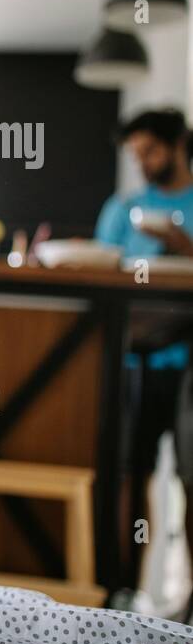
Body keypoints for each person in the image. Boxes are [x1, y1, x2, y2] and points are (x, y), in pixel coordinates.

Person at [95, 108, 193, 595]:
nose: (144, 161)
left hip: (188, 365)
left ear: (179, 146)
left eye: (151, 150)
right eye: (136, 153)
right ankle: (123, 593)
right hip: (133, 364)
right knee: (131, 478)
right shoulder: (122, 210)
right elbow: (100, 276)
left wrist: (183, 246)